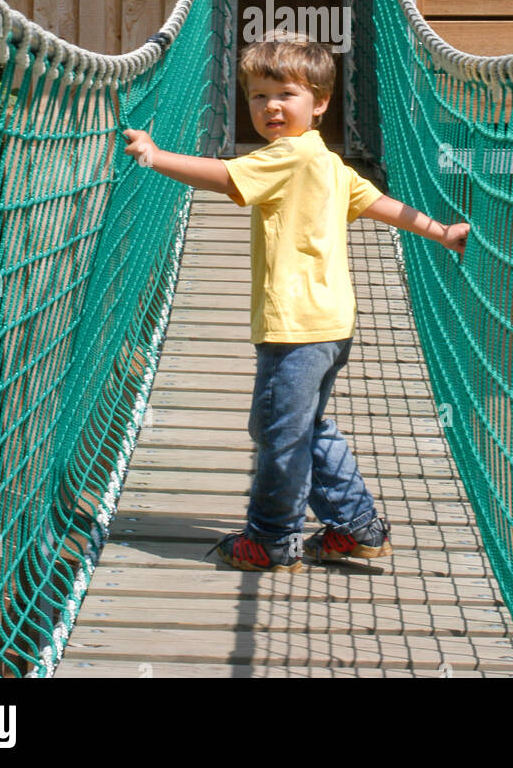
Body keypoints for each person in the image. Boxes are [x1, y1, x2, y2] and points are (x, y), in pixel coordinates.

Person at [122, 35, 469, 573]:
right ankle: (356, 528)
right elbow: (384, 205)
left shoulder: (287, 156)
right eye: (258, 97)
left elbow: (224, 178)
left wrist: (154, 155)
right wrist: (440, 231)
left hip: (296, 328)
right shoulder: (328, 163)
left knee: (279, 432)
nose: (271, 107)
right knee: (303, 426)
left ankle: (271, 537)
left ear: (321, 102)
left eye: (286, 94)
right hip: (329, 325)